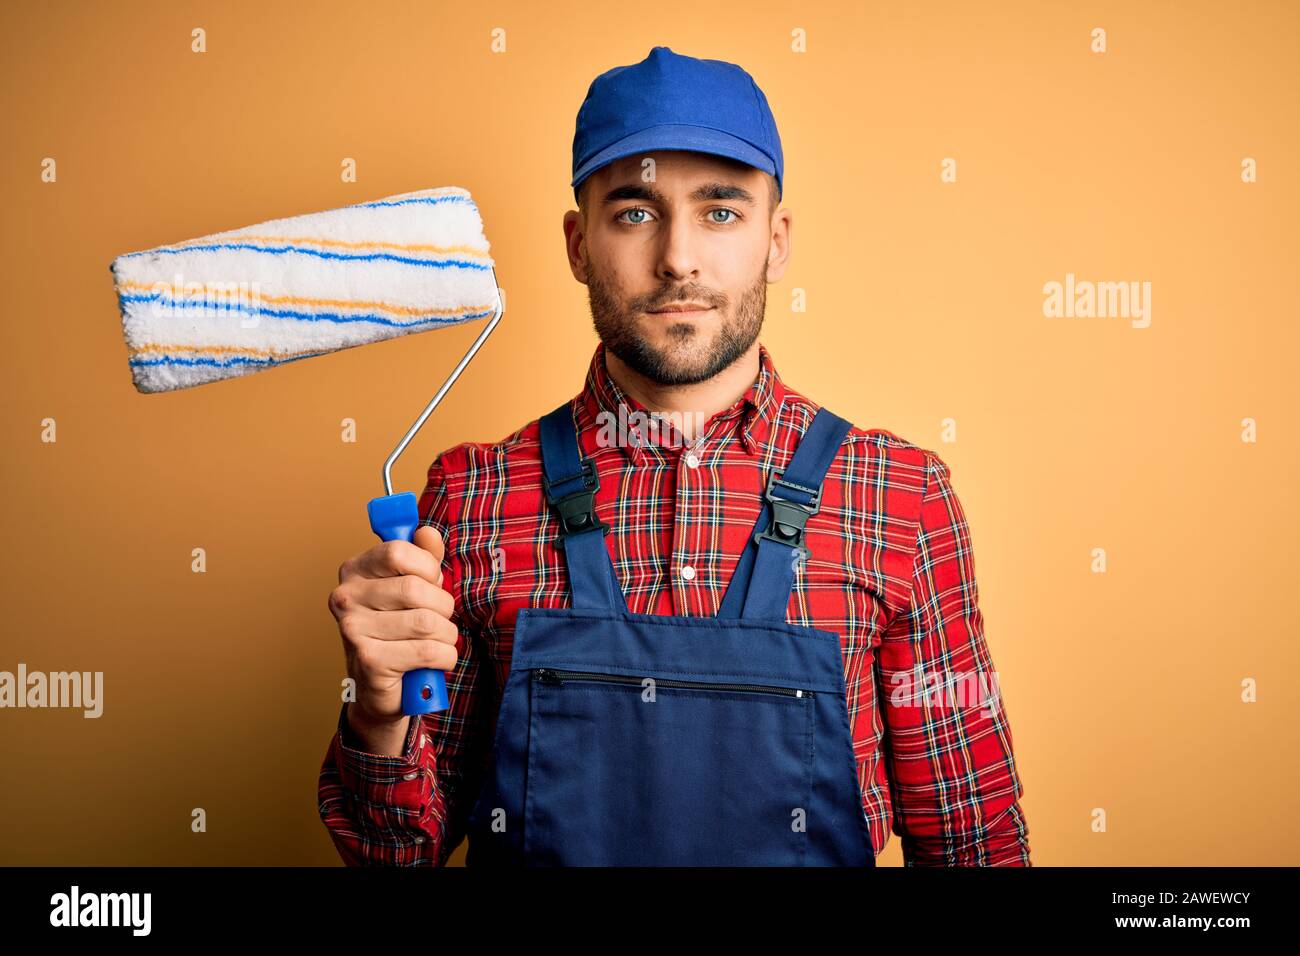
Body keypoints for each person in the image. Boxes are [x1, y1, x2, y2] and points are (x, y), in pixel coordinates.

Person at [316, 45, 1030, 866]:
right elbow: (394, 856)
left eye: (721, 211)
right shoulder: (469, 492)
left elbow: (974, 844)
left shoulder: (901, 498)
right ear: (579, 245)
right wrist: (376, 711)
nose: (679, 257)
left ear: (777, 239)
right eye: (635, 212)